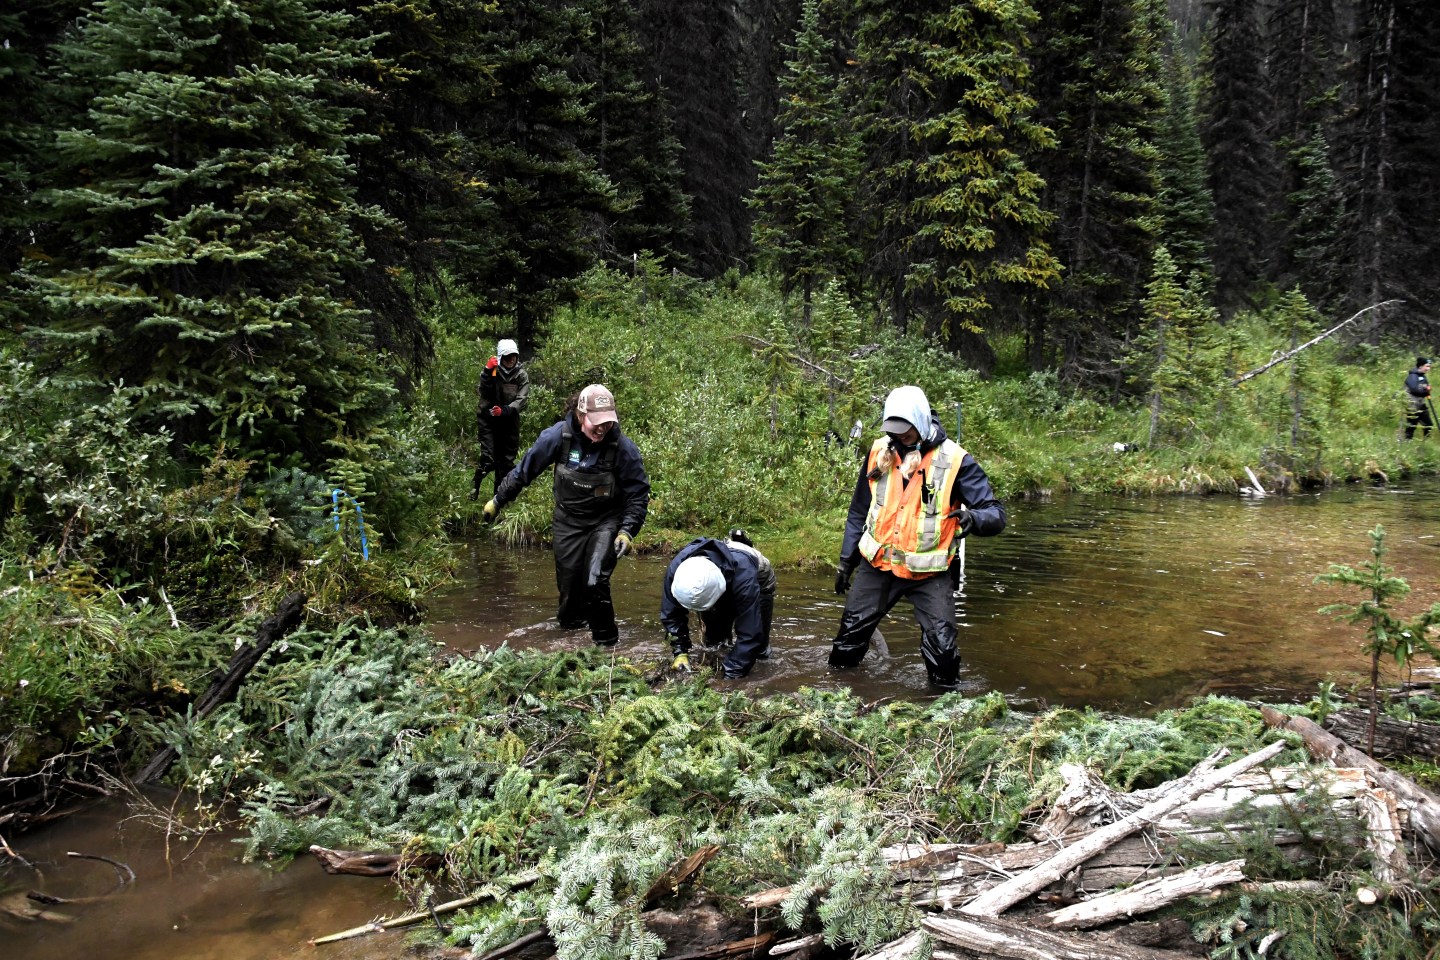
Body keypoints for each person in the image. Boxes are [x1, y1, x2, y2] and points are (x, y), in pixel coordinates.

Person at [829, 385, 1006, 688]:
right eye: (894, 432)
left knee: (944, 658)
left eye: (906, 432)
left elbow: (996, 514)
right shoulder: (879, 451)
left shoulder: (956, 461)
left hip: (930, 573)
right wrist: (847, 561)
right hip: (878, 567)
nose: (899, 438)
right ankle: (840, 697)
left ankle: (940, 711)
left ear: (921, 422)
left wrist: (973, 518)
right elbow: (858, 511)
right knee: (846, 647)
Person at [484, 384, 649, 647]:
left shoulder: (623, 449)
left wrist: (627, 530)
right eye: (596, 422)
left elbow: (638, 495)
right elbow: (524, 471)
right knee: (570, 599)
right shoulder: (557, 437)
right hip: (568, 522)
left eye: (607, 423)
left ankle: (607, 646)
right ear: (581, 414)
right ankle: (573, 645)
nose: (601, 429)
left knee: (595, 581)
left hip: (606, 522)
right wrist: (497, 500)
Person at [660, 531, 776, 679]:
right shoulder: (678, 571)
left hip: (758, 575)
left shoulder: (744, 579)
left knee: (759, 648)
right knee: (714, 643)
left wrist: (730, 679)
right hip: (715, 573)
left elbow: (750, 633)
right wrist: (680, 652)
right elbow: (671, 614)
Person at [473, 338, 531, 500]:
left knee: (505, 463)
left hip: (509, 421)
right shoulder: (492, 371)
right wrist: (486, 371)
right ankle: (475, 486)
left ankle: (498, 497)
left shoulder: (521, 375)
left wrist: (505, 410)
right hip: (488, 421)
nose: (511, 359)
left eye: (513, 355)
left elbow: (522, 399)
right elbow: (484, 391)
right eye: (507, 356)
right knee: (488, 459)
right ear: (500, 357)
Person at [1404, 356, 1433, 440]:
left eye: (1429, 366)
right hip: (1412, 406)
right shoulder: (1412, 376)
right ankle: (1406, 443)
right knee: (1411, 426)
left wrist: (1427, 389)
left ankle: (1426, 442)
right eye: (1427, 366)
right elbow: (1415, 390)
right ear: (1420, 366)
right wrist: (1426, 391)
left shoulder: (1423, 376)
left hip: (1421, 405)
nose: (1428, 368)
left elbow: (1425, 388)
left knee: (1429, 425)